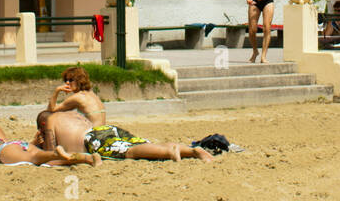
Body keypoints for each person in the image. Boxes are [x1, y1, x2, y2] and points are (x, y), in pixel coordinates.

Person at [35, 66, 212, 162]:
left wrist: (57, 91)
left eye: (70, 80)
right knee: (144, 143)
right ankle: (190, 151)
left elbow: (51, 112)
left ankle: (173, 151)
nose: (67, 83)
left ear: (78, 81)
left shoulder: (76, 99)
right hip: (110, 129)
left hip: (96, 136)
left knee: (131, 152)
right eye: (65, 81)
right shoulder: (91, 94)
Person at [0, 105, 97, 166]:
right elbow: (5, 142)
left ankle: (58, 154)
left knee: (38, 159)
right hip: (14, 145)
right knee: (47, 161)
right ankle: (86, 158)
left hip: (1, 152)